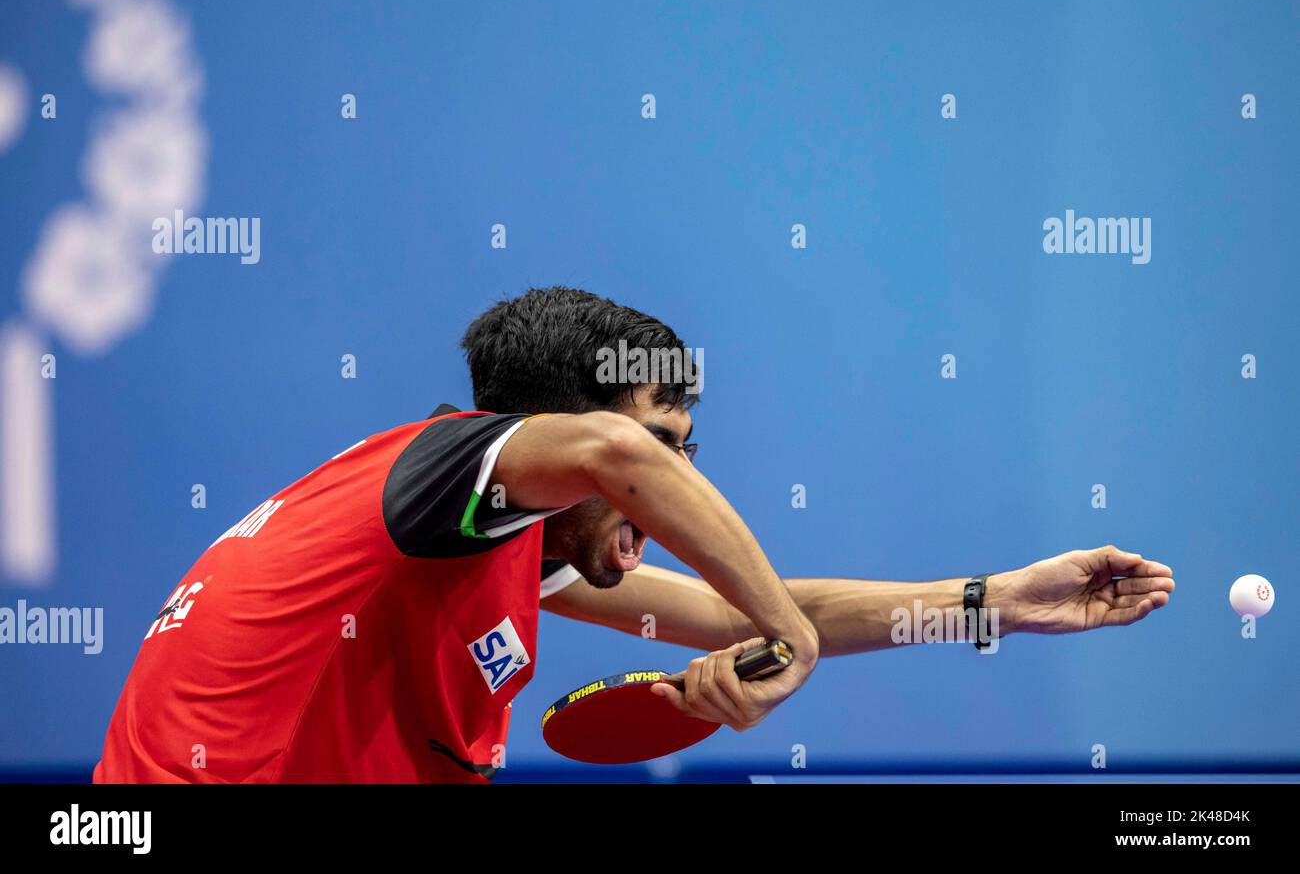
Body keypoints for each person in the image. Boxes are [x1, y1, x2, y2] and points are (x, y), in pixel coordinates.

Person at [94, 287, 1174, 783]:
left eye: (687, 448)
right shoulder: (439, 467)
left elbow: (731, 608)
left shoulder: (482, 536)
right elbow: (624, 465)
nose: (677, 477)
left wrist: (1000, 602)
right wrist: (784, 647)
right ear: (554, 429)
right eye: (668, 441)